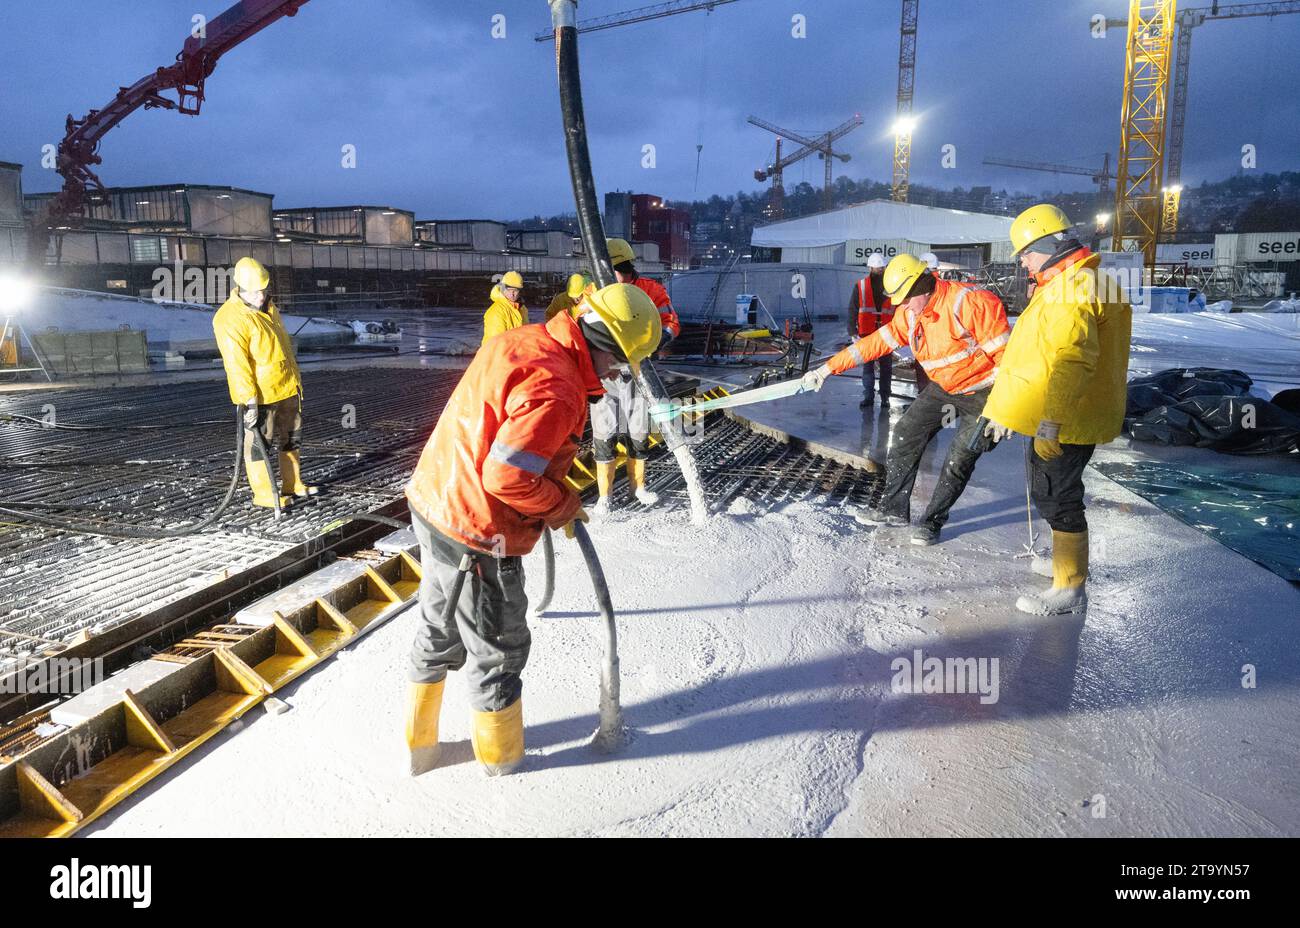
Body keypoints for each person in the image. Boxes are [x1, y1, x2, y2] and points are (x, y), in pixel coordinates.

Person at [403, 283, 662, 776]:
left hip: (435, 500)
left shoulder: (521, 339)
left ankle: (420, 748)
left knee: (438, 627)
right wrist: (561, 504)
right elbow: (506, 477)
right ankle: (503, 766)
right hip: (479, 531)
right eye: (621, 361)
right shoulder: (559, 388)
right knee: (498, 650)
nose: (617, 373)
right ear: (605, 345)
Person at [981, 204, 1132, 615]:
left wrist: (1051, 423)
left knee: (1057, 497)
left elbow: (1071, 360)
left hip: (1068, 418)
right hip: (1065, 412)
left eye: (1026, 252)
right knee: (1049, 491)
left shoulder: (1074, 288)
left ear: (1049, 245)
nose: (1023, 261)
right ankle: (1062, 565)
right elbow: (1036, 357)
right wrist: (1009, 411)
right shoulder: (1084, 282)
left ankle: (1070, 587)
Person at [803, 254, 1009, 546]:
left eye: (905, 298)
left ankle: (932, 522)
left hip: (986, 392)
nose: (901, 305)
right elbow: (872, 344)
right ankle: (894, 510)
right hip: (945, 388)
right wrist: (827, 369)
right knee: (904, 434)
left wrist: (1006, 408)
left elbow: (1009, 361)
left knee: (959, 458)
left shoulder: (969, 303)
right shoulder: (910, 314)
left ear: (923, 286)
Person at [213, 256, 316, 511]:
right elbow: (236, 365)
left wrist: (296, 382)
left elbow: (283, 349)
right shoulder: (229, 318)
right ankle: (264, 494)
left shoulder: (269, 308)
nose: (260, 295)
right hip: (261, 395)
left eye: (263, 289)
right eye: (255, 291)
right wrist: (248, 400)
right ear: (240, 288)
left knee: (292, 438)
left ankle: (293, 484)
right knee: (259, 445)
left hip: (287, 387)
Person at [587, 238, 682, 515]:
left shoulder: (650, 290)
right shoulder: (596, 292)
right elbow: (582, 323)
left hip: (639, 374)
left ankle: (638, 487)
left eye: (612, 271)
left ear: (625, 267)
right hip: (606, 375)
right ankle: (605, 496)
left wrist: (660, 339)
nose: (608, 278)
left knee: (639, 433)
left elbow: (671, 321)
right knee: (604, 435)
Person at [847, 253, 894, 407]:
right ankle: (871, 397)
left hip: (884, 332)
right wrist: (852, 332)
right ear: (871, 268)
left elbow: (899, 309)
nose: (880, 270)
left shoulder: (891, 286)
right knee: (870, 367)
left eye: (881, 268)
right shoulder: (861, 286)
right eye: (878, 268)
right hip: (869, 332)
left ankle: (883, 397)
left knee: (884, 367)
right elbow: (852, 310)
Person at [481, 271, 528, 345]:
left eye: (515, 290)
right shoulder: (496, 312)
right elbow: (496, 344)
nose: (512, 294)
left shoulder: (523, 309)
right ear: (503, 289)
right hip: (497, 353)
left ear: (520, 291)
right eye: (509, 289)